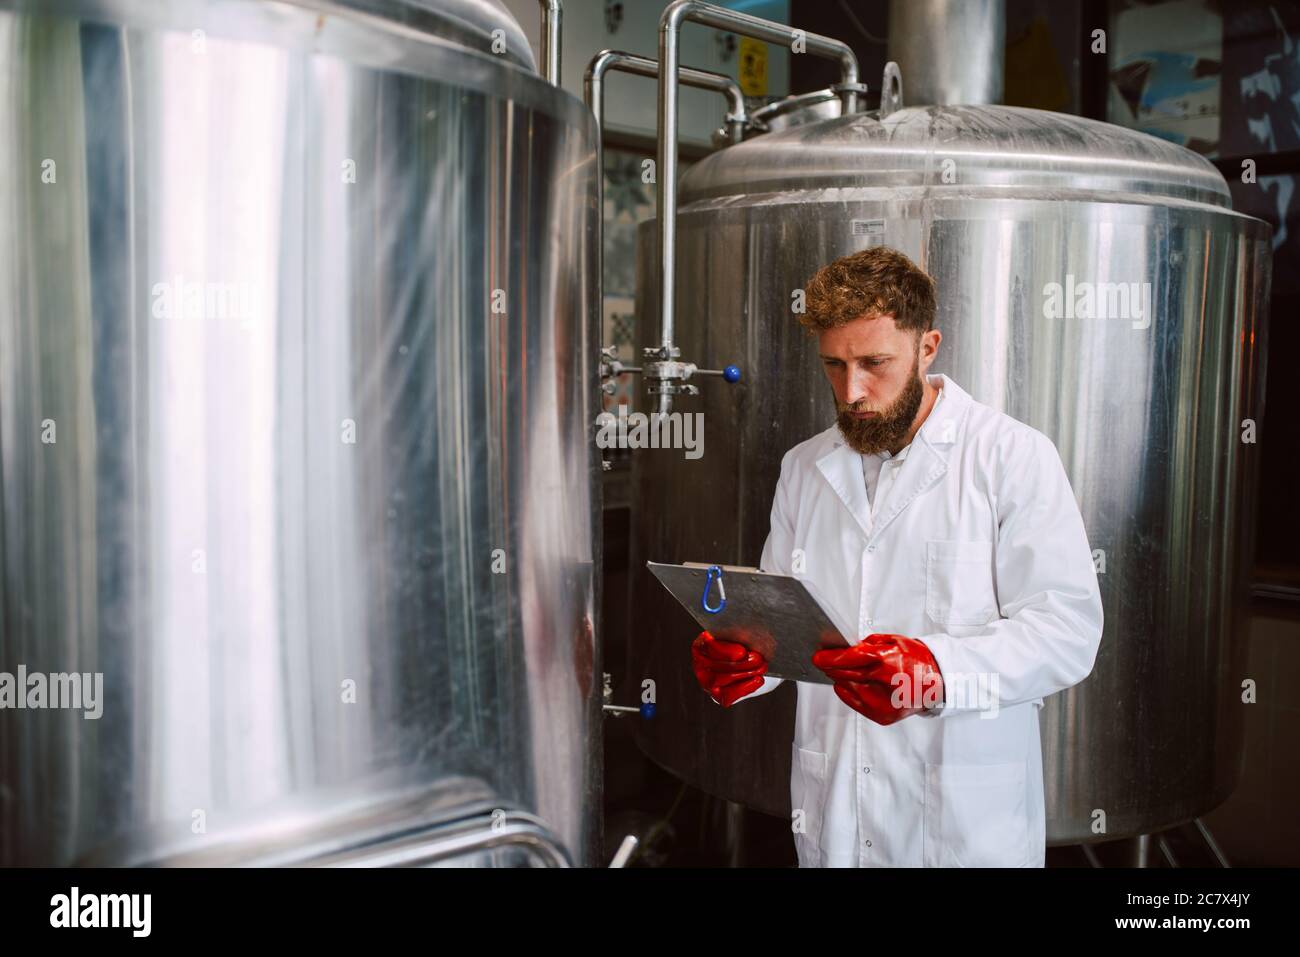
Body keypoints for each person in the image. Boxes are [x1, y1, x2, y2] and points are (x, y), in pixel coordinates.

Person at [691, 246, 1104, 867]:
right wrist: (746, 660)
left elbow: (1067, 631)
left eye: (874, 363)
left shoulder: (1010, 456)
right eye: (834, 364)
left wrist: (933, 668)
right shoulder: (804, 467)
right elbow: (787, 621)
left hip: (963, 827)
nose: (852, 390)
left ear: (927, 347)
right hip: (836, 819)